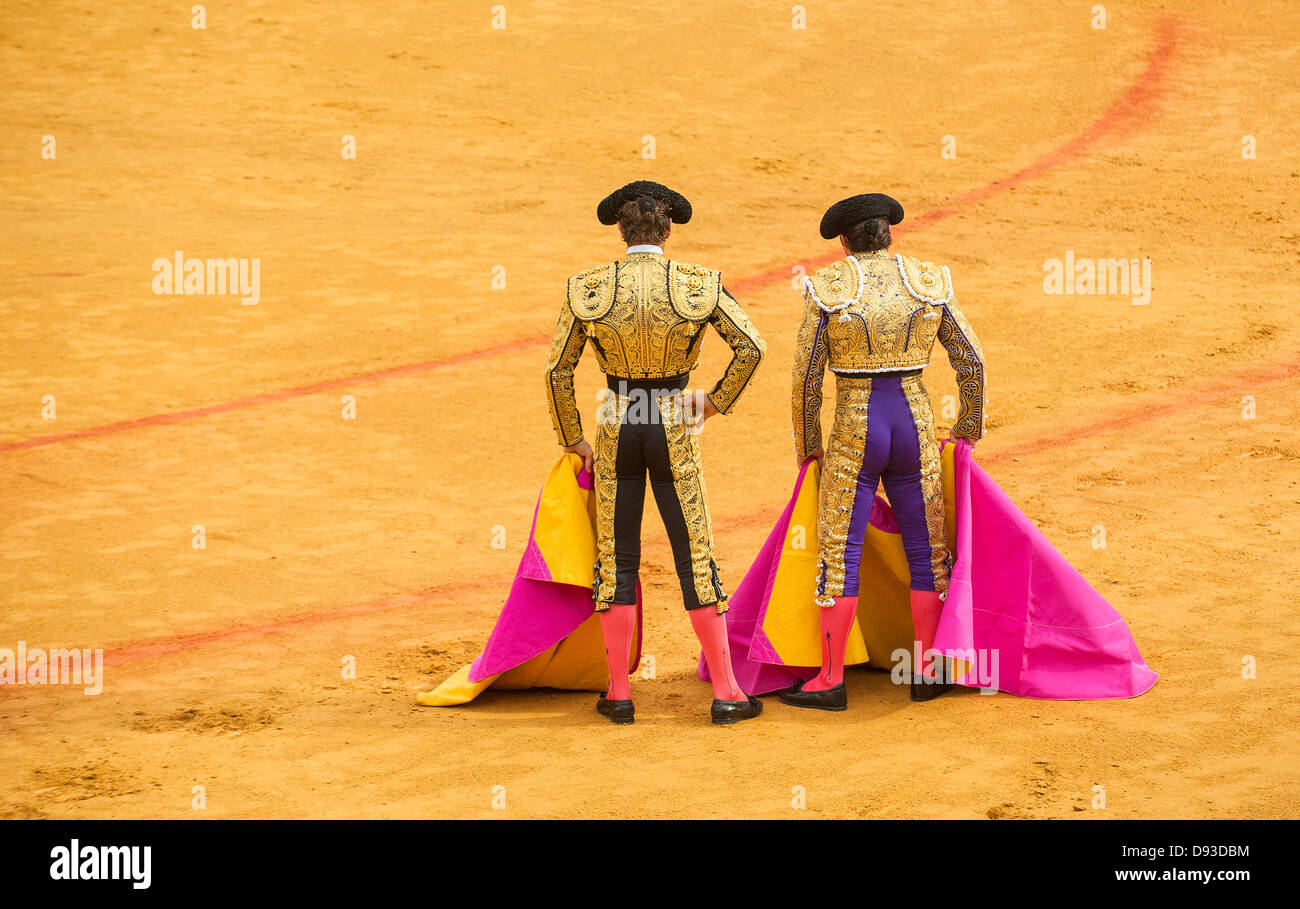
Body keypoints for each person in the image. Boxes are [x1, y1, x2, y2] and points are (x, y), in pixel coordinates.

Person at [543, 180, 767, 725]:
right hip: (671, 418)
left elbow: (558, 370)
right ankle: (727, 693)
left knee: (615, 557)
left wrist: (573, 435)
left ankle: (618, 693)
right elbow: (752, 347)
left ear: (621, 232)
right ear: (668, 231)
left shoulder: (589, 286)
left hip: (619, 420)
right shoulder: (697, 283)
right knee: (694, 549)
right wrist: (711, 404)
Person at [779, 192, 986, 710]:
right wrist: (967, 426)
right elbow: (972, 362)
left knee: (838, 551)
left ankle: (830, 680)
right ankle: (926, 672)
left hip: (855, 423)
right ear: (888, 234)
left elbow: (806, 378)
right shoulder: (927, 280)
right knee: (929, 551)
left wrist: (809, 447)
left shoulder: (828, 286)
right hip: (913, 419)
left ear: (845, 242)